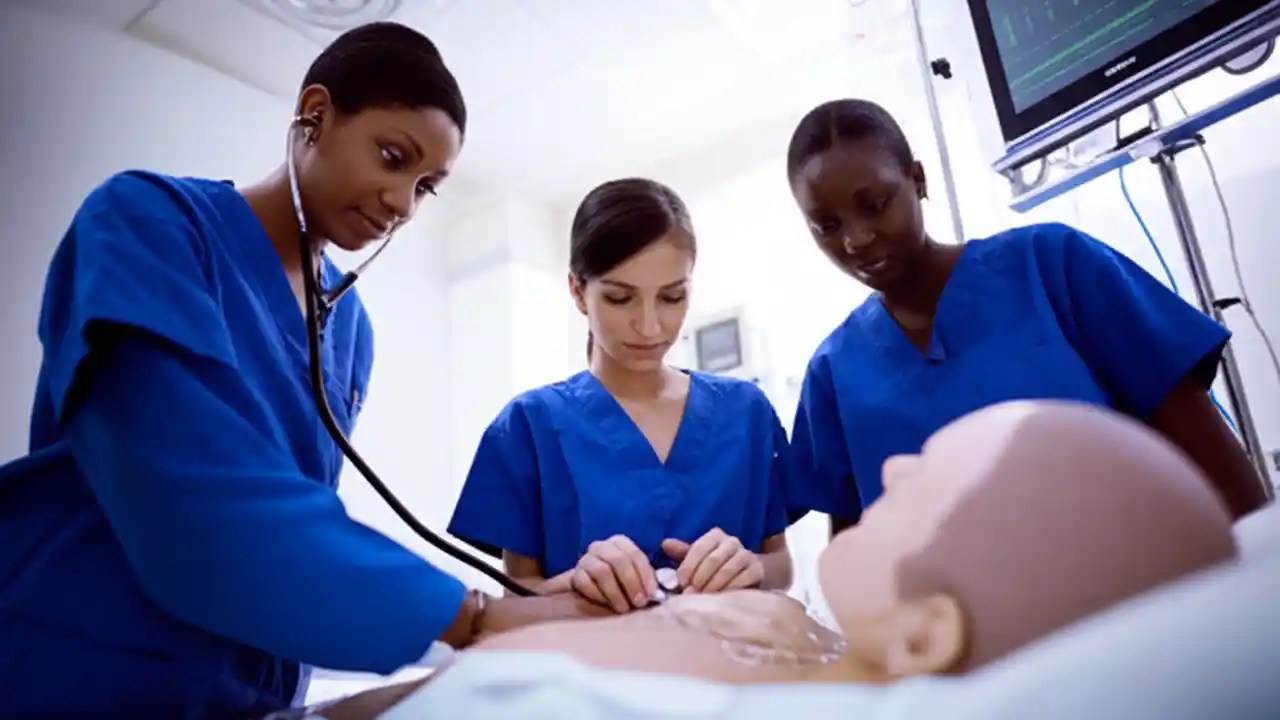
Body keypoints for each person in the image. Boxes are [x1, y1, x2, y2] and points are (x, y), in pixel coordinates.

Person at [0, 22, 608, 718]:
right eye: (391, 156)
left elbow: (296, 529)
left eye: (426, 187)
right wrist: (475, 617)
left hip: (246, 690)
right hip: (82, 671)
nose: (401, 204)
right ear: (315, 116)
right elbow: (191, 504)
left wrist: (525, 613)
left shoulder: (349, 330)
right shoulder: (146, 221)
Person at [312, 399, 1241, 718]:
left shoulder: (805, 684)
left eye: (924, 486)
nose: (890, 465)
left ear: (926, 630)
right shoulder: (812, 640)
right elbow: (505, 600)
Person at [783, 98, 1268, 533]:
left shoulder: (1052, 266)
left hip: (1148, 606)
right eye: (827, 226)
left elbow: (1209, 454)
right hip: (971, 635)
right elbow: (857, 559)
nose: (856, 239)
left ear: (918, 179)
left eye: (875, 205)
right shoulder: (833, 372)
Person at [447, 178, 794, 614]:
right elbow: (518, 596)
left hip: (735, 669)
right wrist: (578, 583)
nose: (650, 326)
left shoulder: (746, 413)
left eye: (672, 297)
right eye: (619, 298)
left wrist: (750, 568)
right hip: (593, 674)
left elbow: (781, 566)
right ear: (578, 291)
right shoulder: (529, 426)